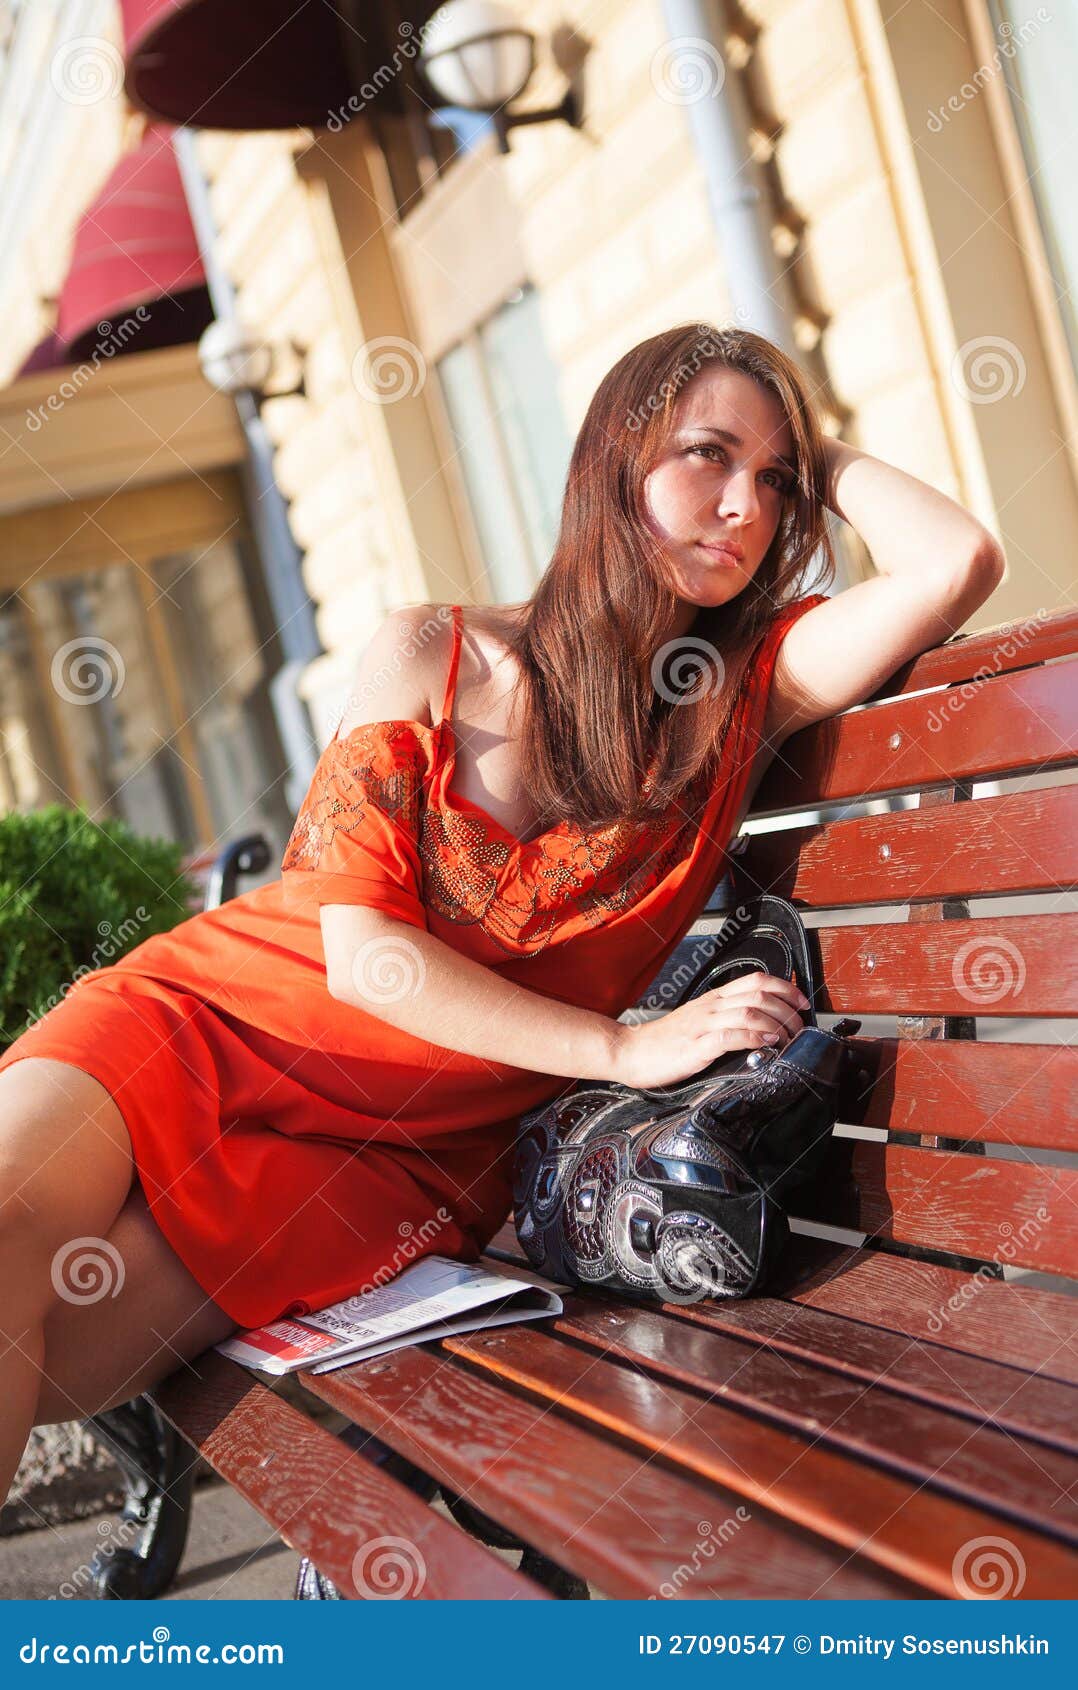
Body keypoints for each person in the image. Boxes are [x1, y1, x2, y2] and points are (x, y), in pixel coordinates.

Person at [0, 323, 1003, 1502]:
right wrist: (622, 1049)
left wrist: (808, 442)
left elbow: (955, 560)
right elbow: (366, 960)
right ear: (613, 458)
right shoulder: (431, 651)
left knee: (57, 1358)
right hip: (199, 1023)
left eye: (773, 481)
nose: (744, 504)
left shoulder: (740, 693)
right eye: (706, 454)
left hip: (382, 1164)